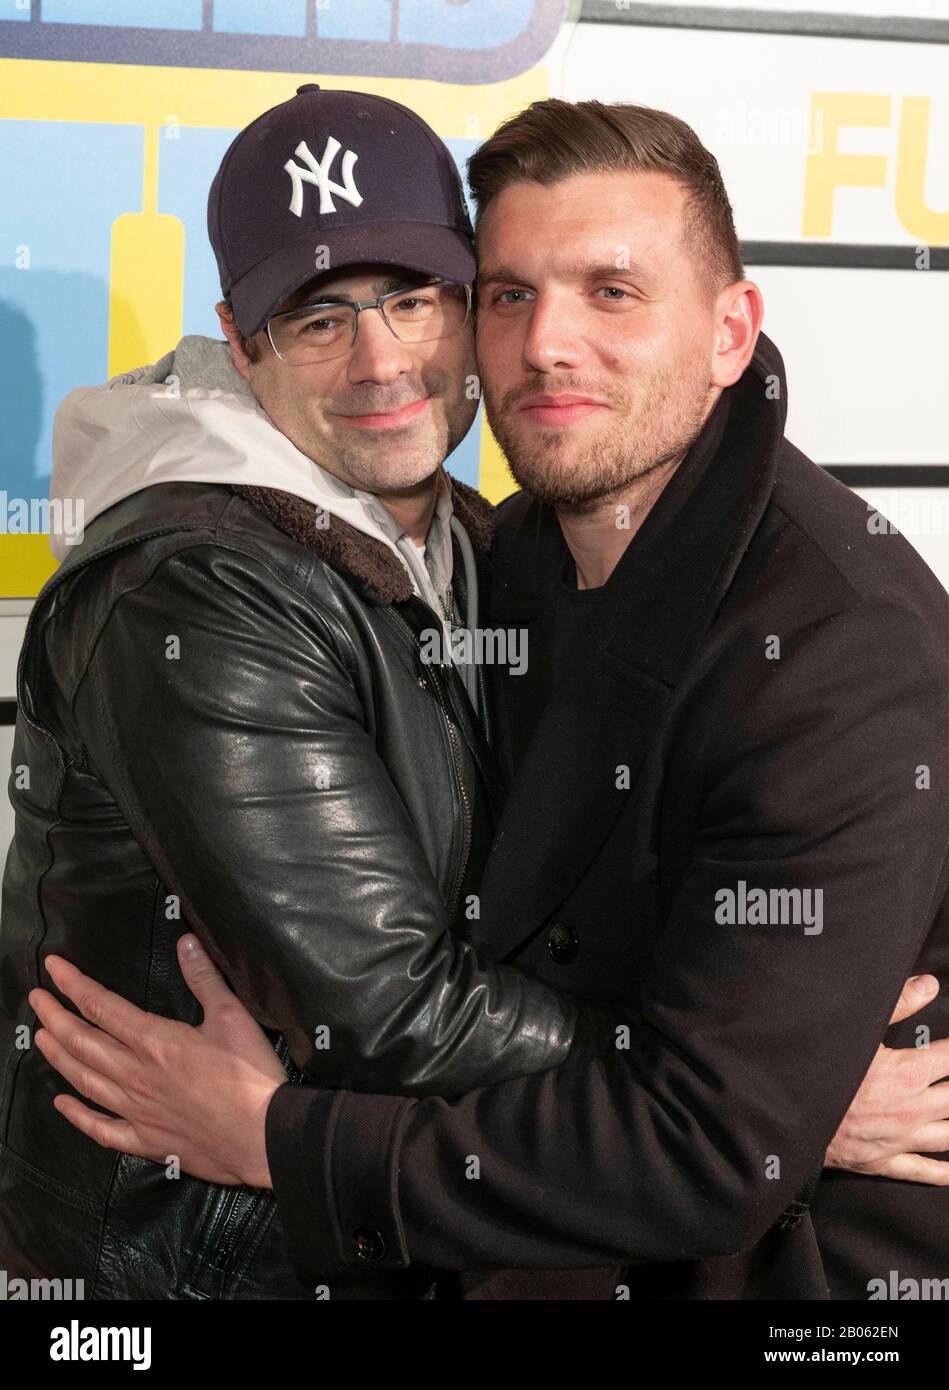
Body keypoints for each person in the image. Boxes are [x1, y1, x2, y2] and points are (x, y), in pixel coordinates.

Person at [16, 95, 949, 1301]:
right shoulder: (205, 589)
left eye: (416, 299)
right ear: (240, 345)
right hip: (194, 1255)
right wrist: (754, 1101)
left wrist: (749, 1100)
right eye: (317, 317)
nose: (546, 344)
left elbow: (695, 1111)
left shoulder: (797, 626)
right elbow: (393, 1006)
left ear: (731, 333)